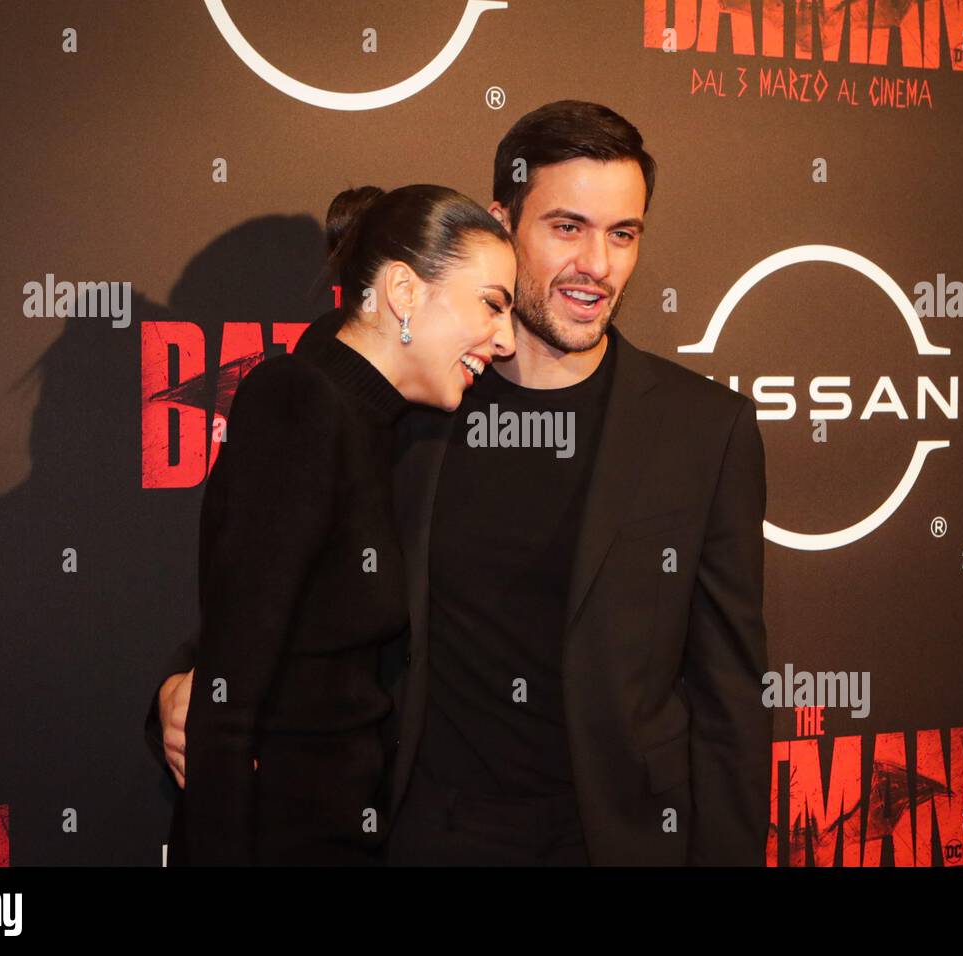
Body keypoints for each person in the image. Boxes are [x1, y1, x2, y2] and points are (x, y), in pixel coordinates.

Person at [149, 100, 770, 866]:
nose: (599, 266)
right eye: (568, 227)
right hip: (425, 836)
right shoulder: (412, 403)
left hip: (622, 842)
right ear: (504, 223)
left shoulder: (705, 429)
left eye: (624, 234)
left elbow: (730, 698)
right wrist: (185, 684)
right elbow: (282, 582)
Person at [171, 184, 515, 865]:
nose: (504, 340)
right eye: (491, 305)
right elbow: (232, 688)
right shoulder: (299, 402)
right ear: (404, 293)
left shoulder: (375, 421)